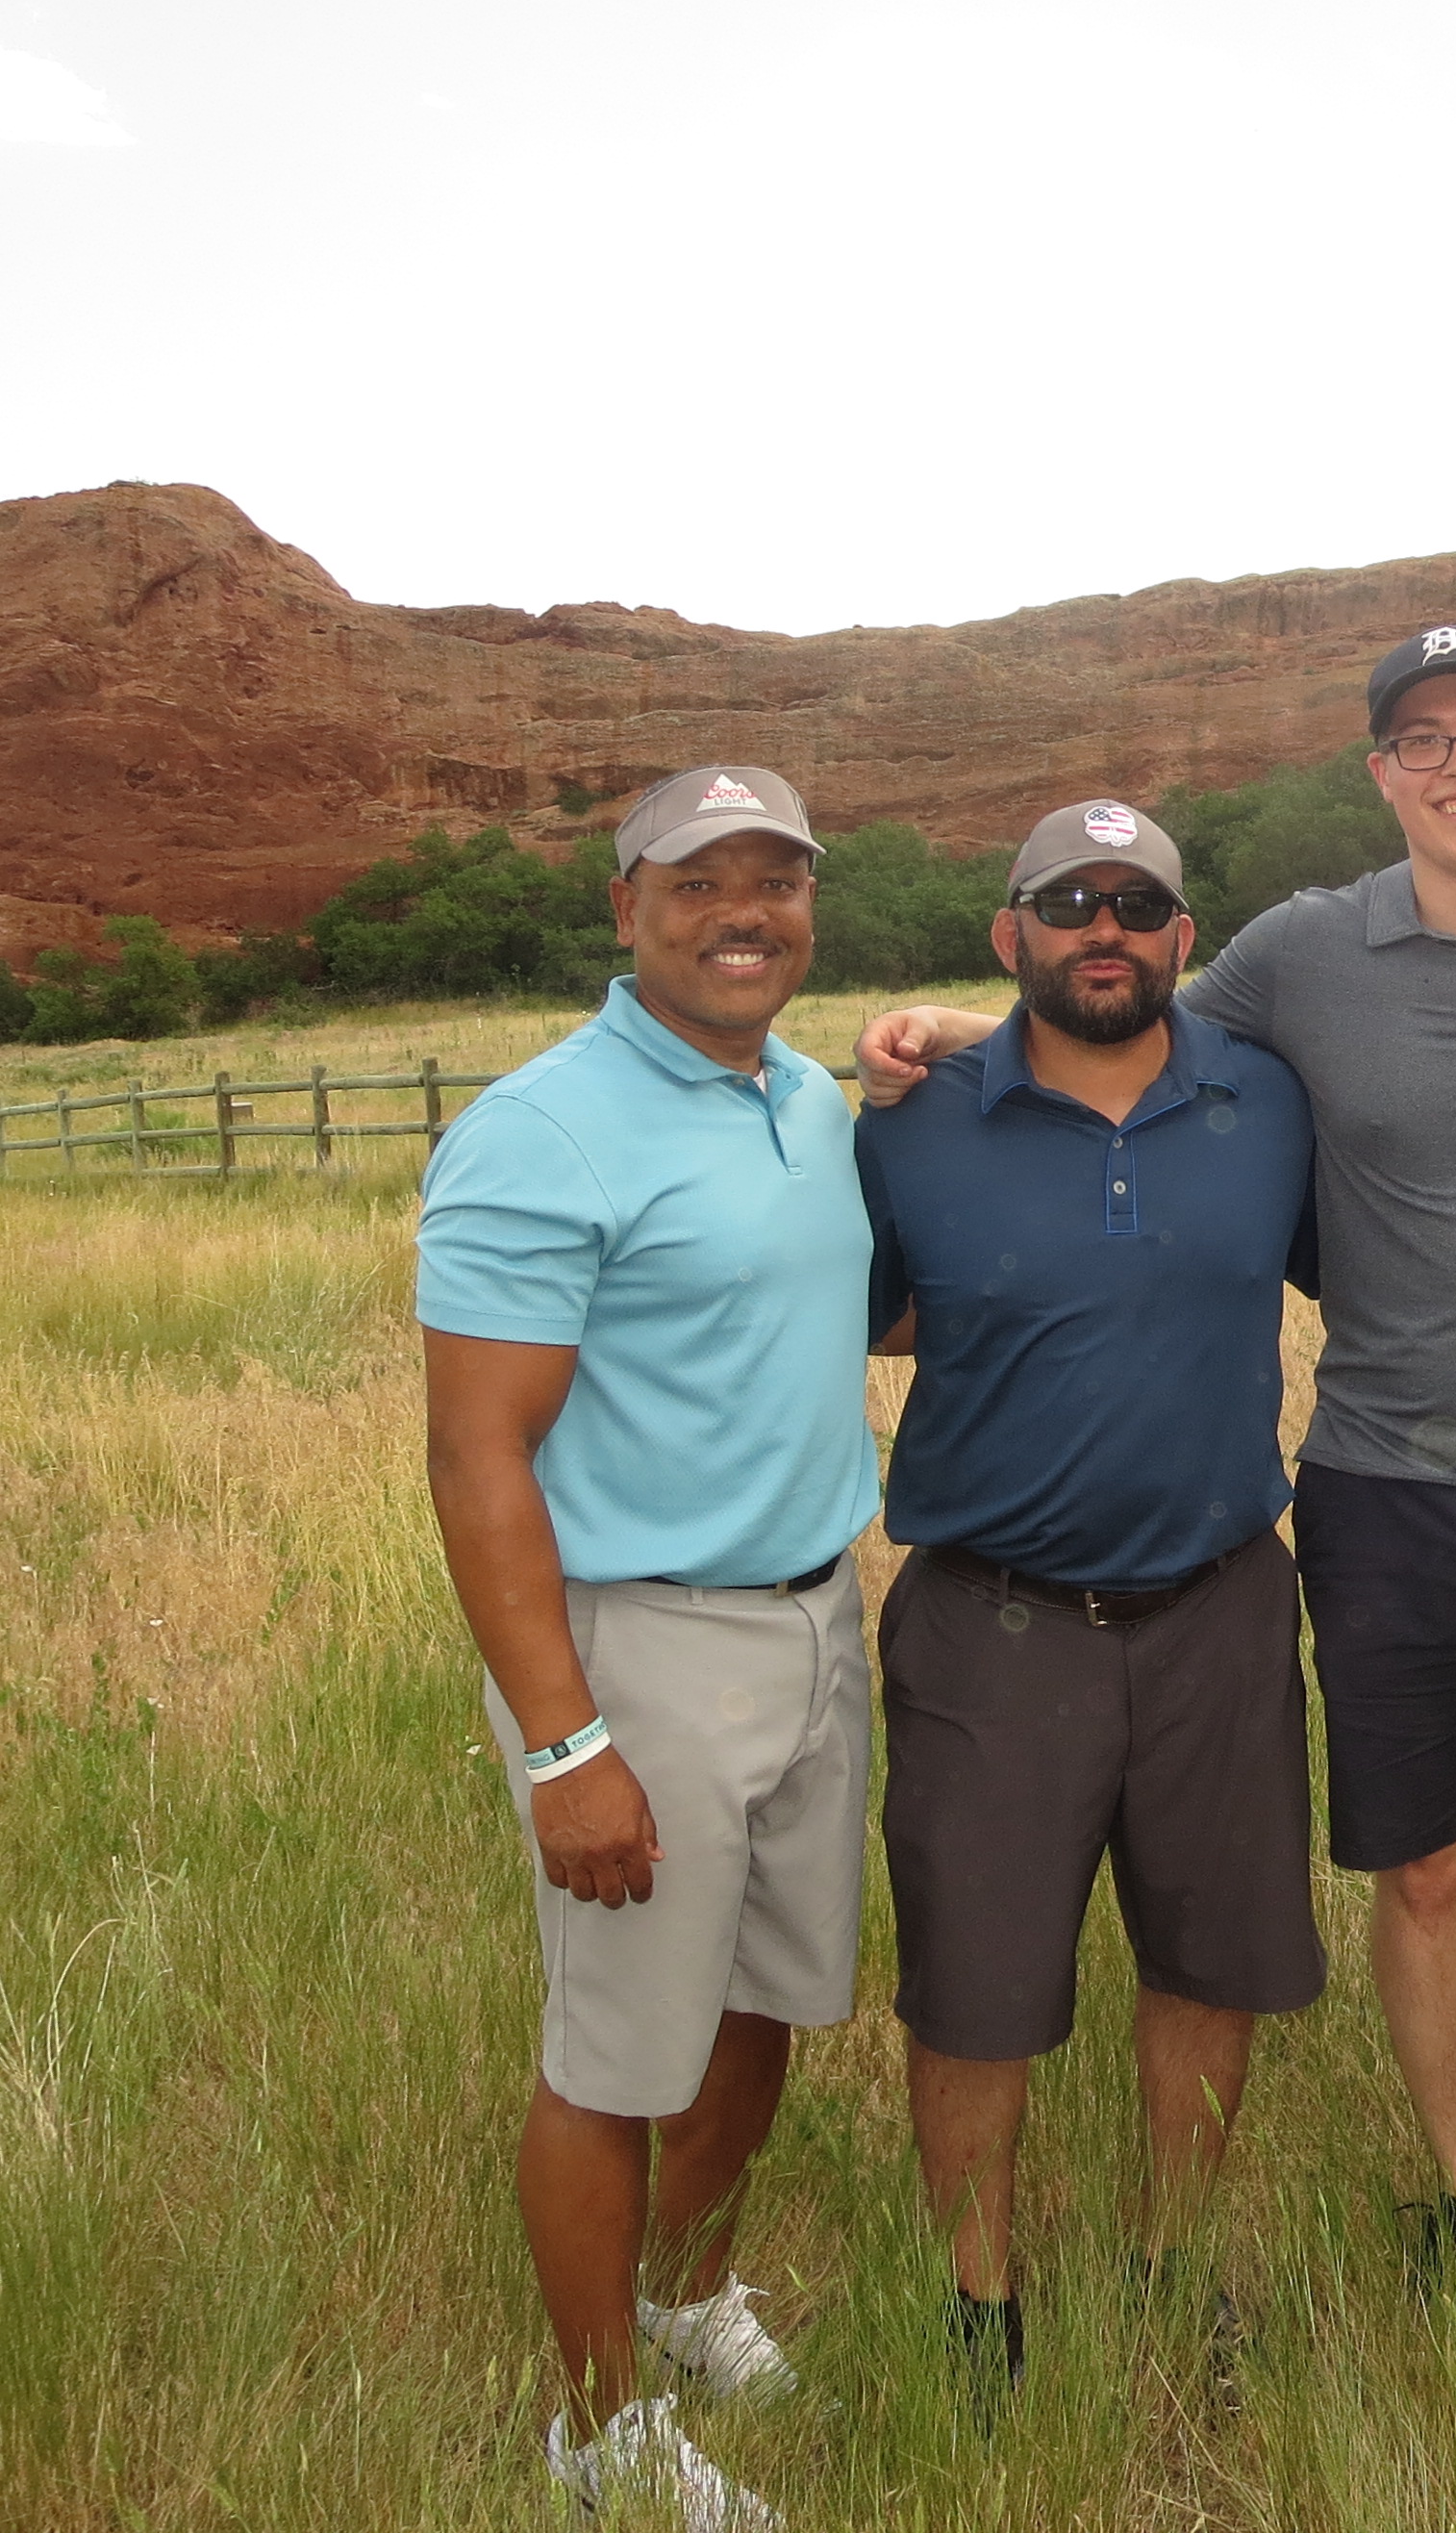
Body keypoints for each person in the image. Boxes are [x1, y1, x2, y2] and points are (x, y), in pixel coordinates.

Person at [859, 625, 1456, 2300]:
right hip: (1363, 1499)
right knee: (1405, 1876)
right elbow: (1106, 1039)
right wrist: (942, 1040)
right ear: (1382, 775)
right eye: (1424, 739)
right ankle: (1444, 2214)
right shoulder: (1300, 957)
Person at [419, 766, 877, 2533]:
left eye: (776, 878)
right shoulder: (545, 1132)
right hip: (642, 1649)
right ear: (625, 906)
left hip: (818, 1619)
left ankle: (688, 2303)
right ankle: (596, 2430)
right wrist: (562, 1741)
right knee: (615, 2055)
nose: (740, 910)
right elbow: (478, 1460)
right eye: (699, 882)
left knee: (762, 2007)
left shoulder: (809, 1100)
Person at [854, 799, 1324, 2400]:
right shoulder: (914, 1119)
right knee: (976, 1984)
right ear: (1012, 936)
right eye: (1068, 902)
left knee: (1207, 1962)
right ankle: (980, 2306)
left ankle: (1171, 2269)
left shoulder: (1266, 1099)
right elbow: (852, 1316)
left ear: (1187, 936)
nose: (1103, 927)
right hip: (991, 1623)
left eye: (1138, 902)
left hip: (1222, 1607)